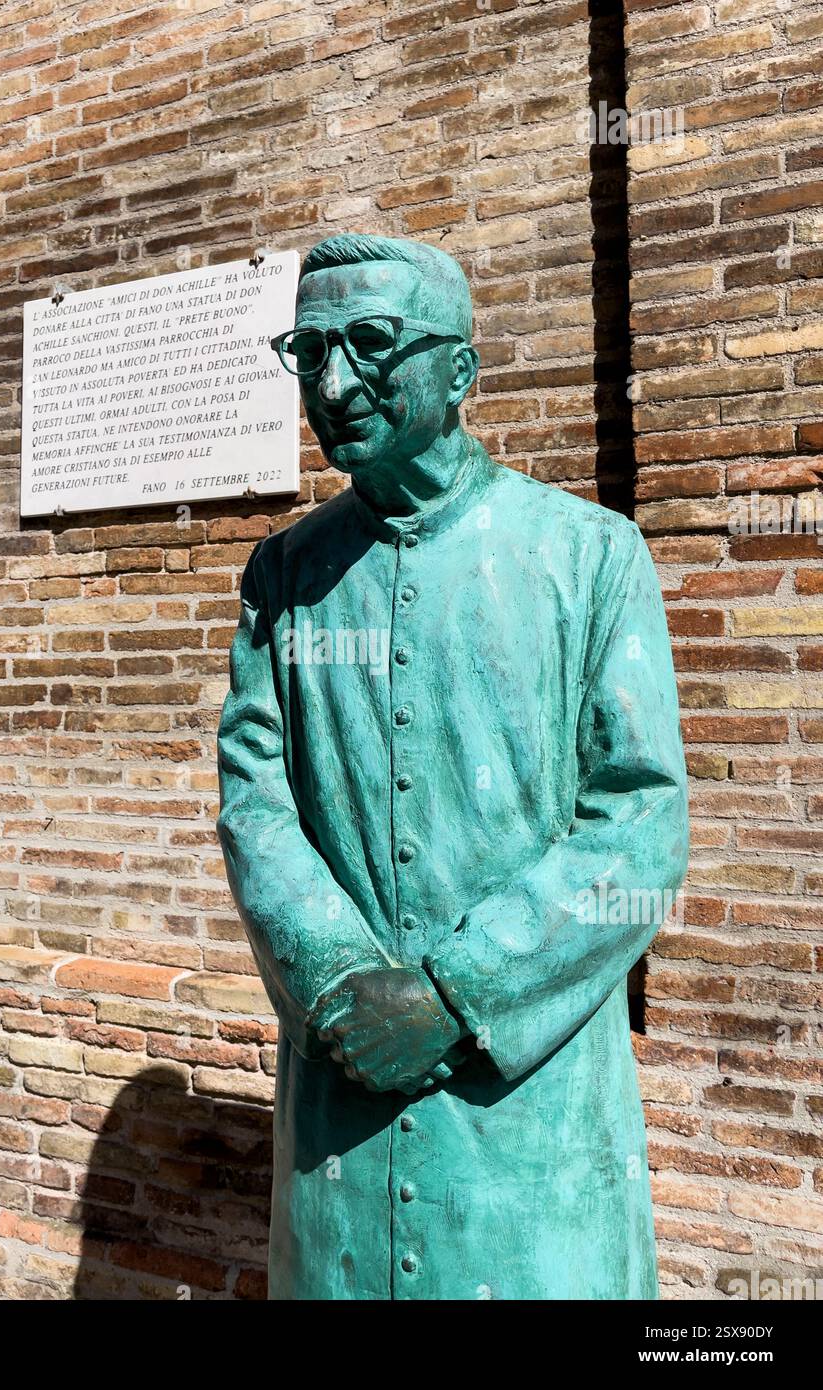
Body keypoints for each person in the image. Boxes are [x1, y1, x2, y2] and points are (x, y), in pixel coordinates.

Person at [216, 233, 689, 1300]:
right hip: (342, 1105)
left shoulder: (589, 555)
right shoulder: (282, 576)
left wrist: (456, 993)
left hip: (526, 1121)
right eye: (310, 351)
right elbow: (255, 804)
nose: (334, 385)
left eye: (372, 344)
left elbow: (640, 821)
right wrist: (335, 977)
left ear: (461, 370)